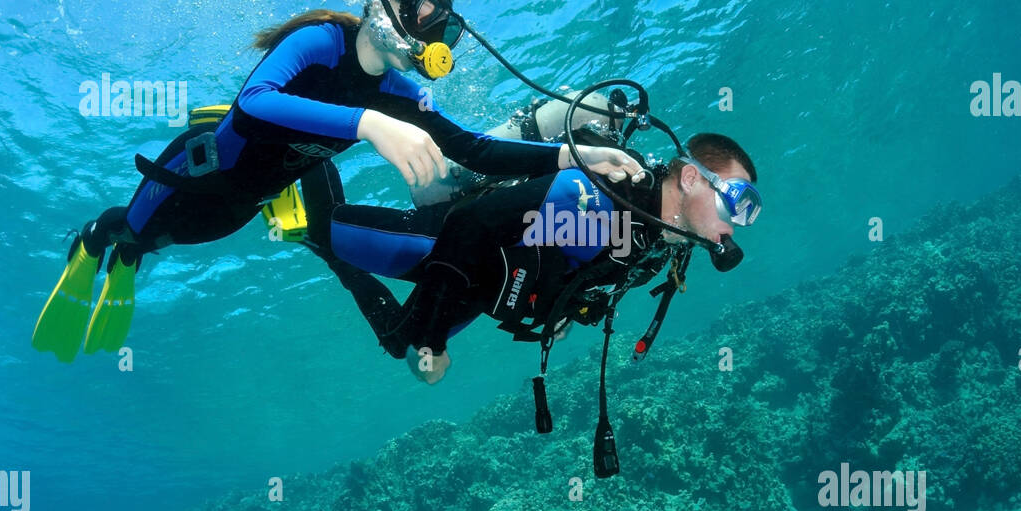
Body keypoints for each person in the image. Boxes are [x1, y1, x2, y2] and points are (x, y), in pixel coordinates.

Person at [32, 0, 642, 362]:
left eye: (446, 29)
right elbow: (254, 102)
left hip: (239, 207)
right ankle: (97, 240)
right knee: (136, 230)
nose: (432, 36)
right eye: (426, 12)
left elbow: (474, 150)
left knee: (171, 242)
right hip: (193, 175)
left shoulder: (403, 94)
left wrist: (576, 152)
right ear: (383, 1)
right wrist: (368, 124)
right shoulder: (321, 42)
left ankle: (134, 256)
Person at [301, 131, 760, 385]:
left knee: (402, 345)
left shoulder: (658, 248)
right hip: (437, 245)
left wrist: (562, 309)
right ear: (691, 179)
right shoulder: (598, 197)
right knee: (326, 227)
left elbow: (579, 269)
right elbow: (471, 226)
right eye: (736, 201)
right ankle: (296, 144)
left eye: (745, 213)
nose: (735, 223)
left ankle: (328, 252)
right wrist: (436, 342)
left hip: (483, 288)